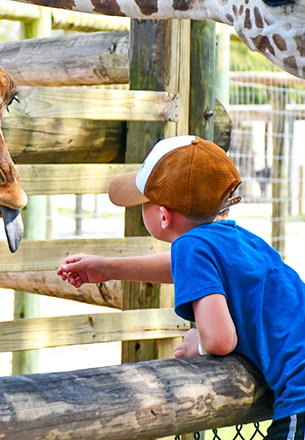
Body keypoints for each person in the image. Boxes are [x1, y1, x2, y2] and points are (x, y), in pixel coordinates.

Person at [57, 135, 305, 439]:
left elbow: (220, 340)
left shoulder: (191, 248)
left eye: (143, 203)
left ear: (162, 216)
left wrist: (197, 343)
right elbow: (188, 268)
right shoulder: (240, 240)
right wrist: (108, 268)